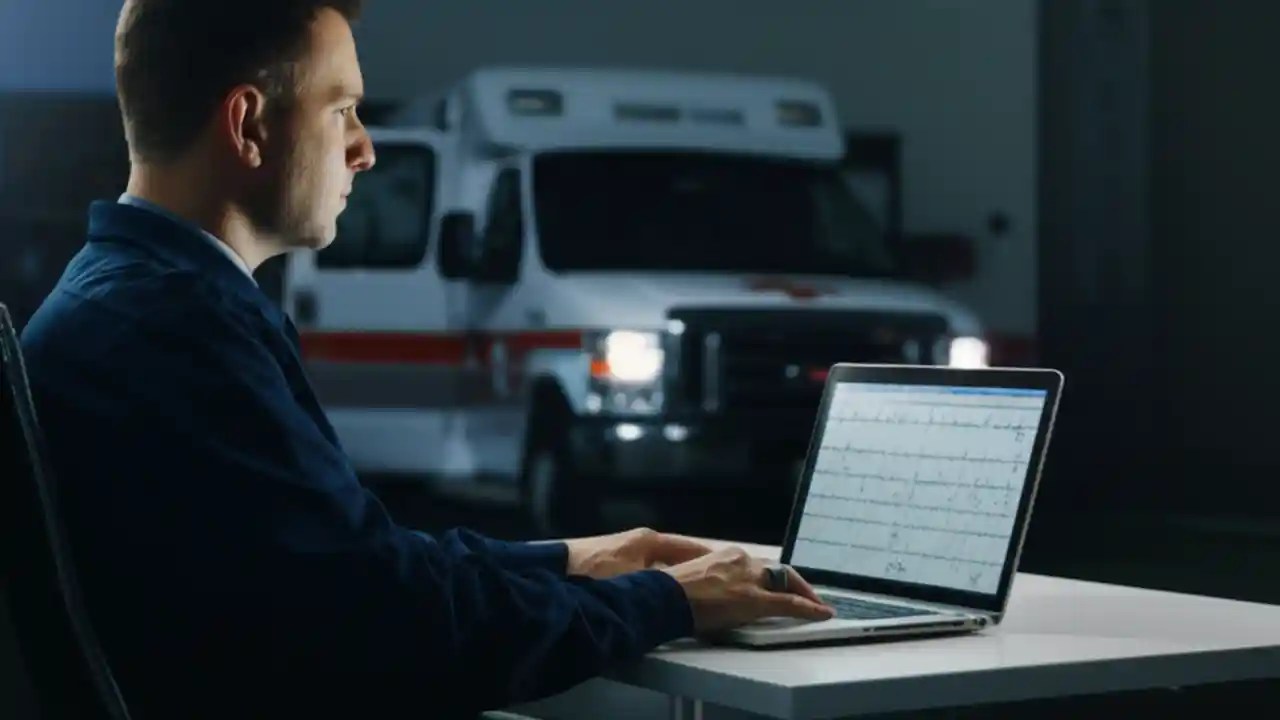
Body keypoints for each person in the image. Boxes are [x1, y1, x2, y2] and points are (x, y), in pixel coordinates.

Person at [18, 1, 834, 717]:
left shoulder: (130, 296)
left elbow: (355, 569)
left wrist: (576, 559)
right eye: (342, 110)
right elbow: (392, 627)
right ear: (248, 125)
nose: (365, 149)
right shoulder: (177, 327)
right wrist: (666, 600)